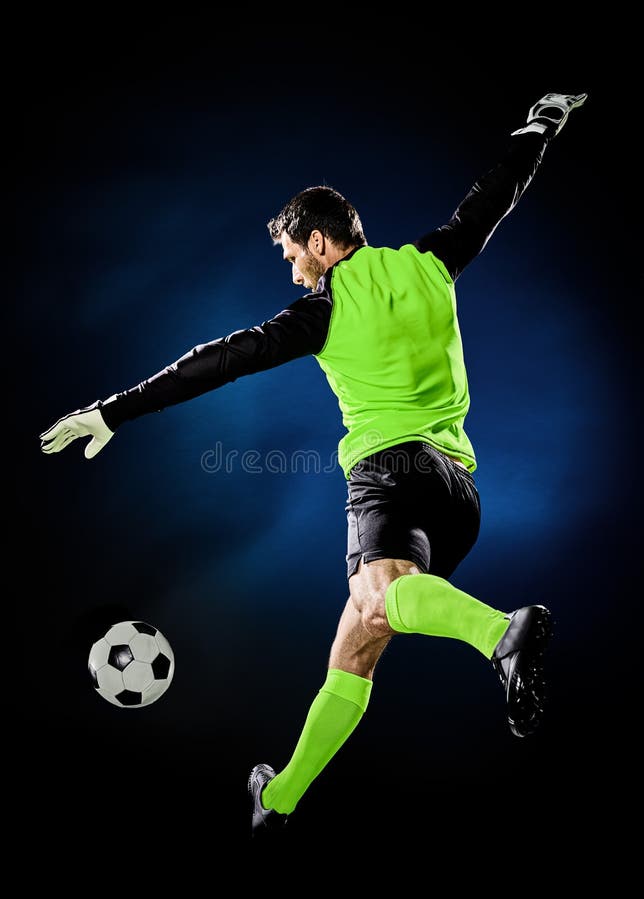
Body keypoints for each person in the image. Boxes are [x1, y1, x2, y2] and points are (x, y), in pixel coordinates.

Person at [40, 91, 587, 836]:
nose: (293, 269)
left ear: (321, 242)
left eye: (294, 253)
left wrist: (110, 409)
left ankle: (501, 634)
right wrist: (541, 124)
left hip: (389, 472)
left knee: (375, 596)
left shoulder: (324, 310)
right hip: (457, 494)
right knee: (358, 640)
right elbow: (496, 194)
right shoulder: (433, 262)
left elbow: (216, 362)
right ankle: (280, 798)